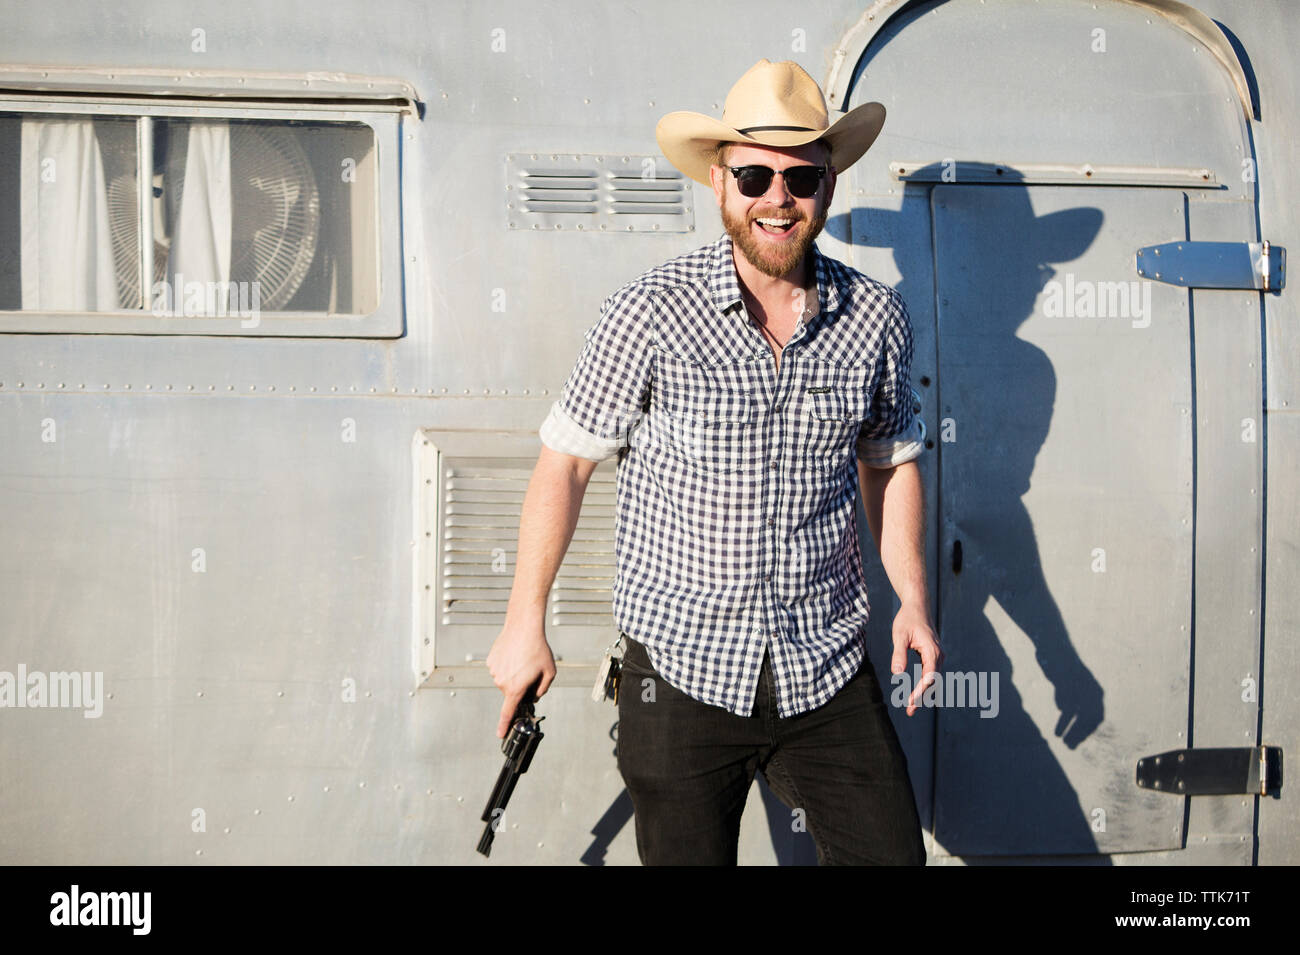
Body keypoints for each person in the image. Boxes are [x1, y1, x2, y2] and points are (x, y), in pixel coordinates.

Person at [486, 58, 942, 865]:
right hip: (683, 676)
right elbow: (564, 464)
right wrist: (526, 623)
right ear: (718, 180)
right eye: (756, 174)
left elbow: (890, 460)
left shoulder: (875, 317)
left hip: (826, 668)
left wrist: (911, 597)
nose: (779, 197)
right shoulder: (650, 311)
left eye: (800, 177)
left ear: (829, 186)